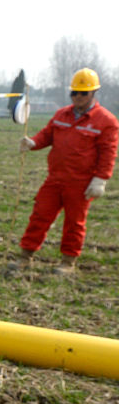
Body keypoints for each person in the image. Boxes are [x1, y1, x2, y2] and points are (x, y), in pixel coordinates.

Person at [15, 67, 117, 275]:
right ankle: (26, 257)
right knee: (39, 216)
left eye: (83, 93)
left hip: (81, 183)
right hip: (55, 178)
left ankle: (68, 262)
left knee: (74, 223)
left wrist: (100, 179)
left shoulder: (106, 121)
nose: (77, 97)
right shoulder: (62, 114)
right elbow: (47, 135)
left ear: (93, 93)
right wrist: (33, 142)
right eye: (74, 92)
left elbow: (108, 152)